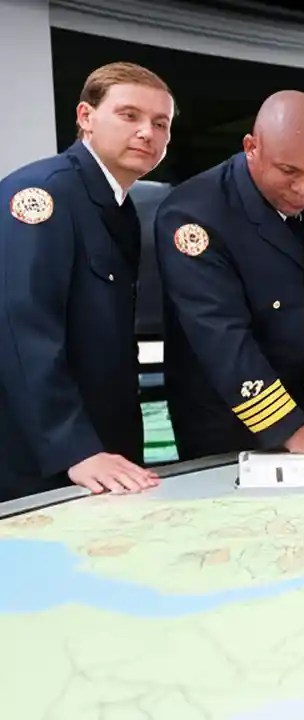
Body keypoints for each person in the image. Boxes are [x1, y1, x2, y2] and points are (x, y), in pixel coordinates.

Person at [0, 62, 173, 501]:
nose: (146, 133)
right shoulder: (42, 194)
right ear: (85, 117)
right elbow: (23, 334)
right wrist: (74, 448)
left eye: (160, 123)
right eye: (129, 115)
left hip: (101, 450)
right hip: (46, 461)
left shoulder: (119, 209)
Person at [155, 90, 304, 460]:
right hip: (234, 423)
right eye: (289, 172)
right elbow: (220, 336)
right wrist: (288, 426)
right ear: (251, 147)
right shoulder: (192, 214)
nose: (302, 190)